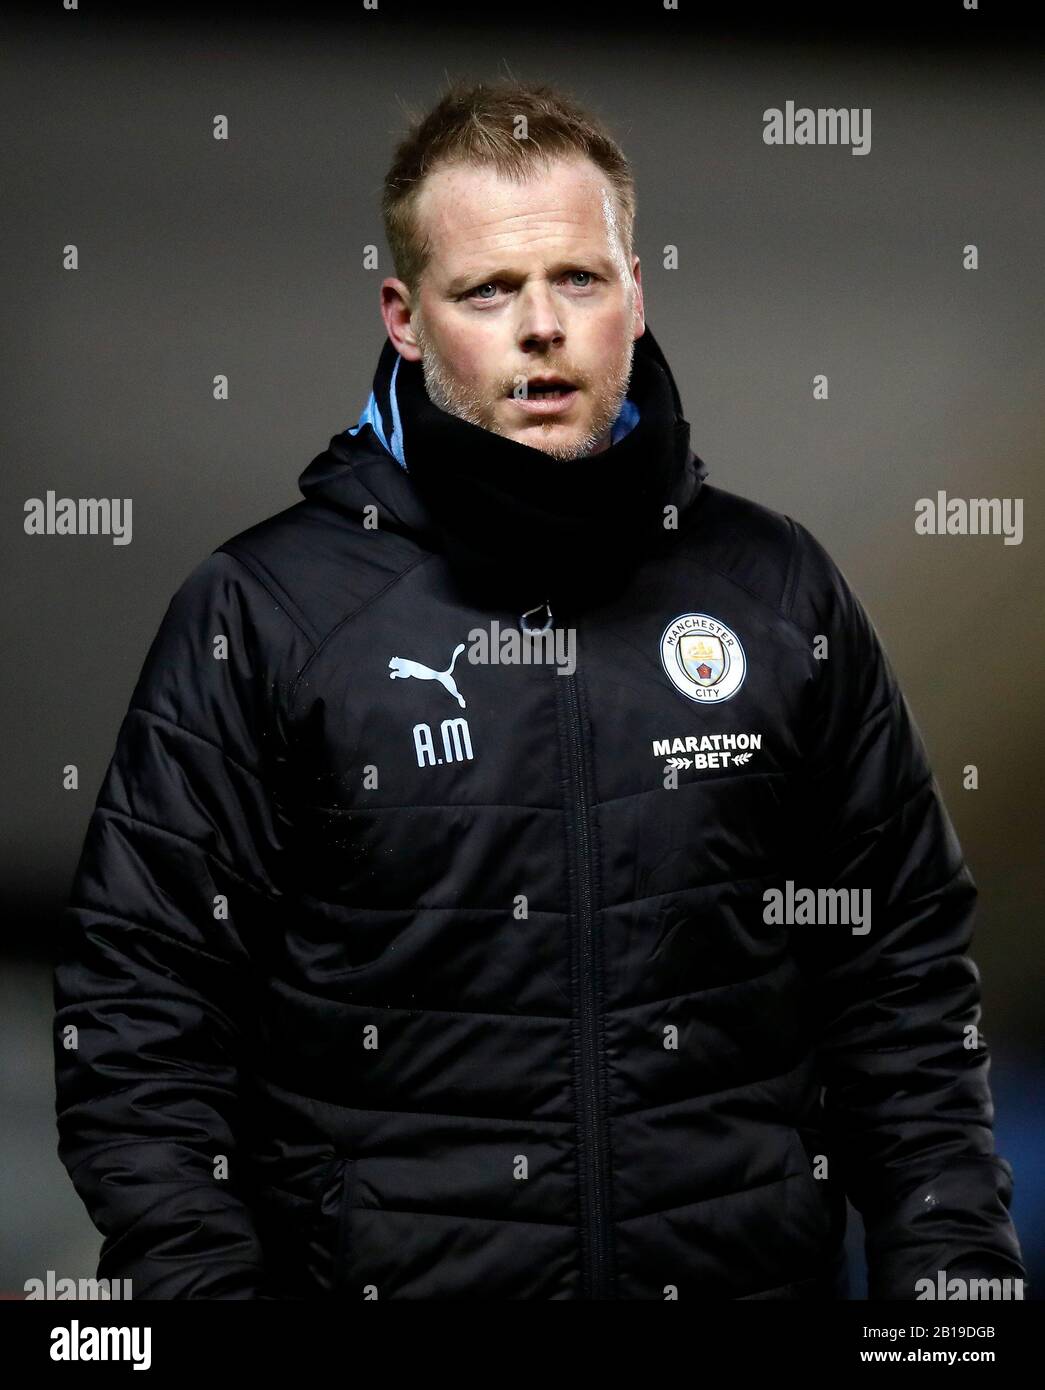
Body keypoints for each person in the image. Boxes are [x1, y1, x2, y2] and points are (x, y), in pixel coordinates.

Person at [53, 78, 1026, 1301]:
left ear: (636, 292)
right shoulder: (268, 612)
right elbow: (142, 1015)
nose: (541, 327)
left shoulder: (776, 592)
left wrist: (951, 1287)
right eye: (487, 291)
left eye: (578, 278)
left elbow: (900, 980)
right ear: (405, 319)